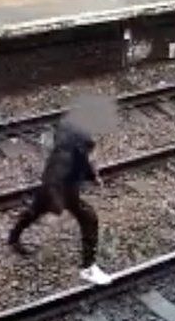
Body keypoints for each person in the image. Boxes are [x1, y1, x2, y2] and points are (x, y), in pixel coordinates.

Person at [8, 121, 113, 285]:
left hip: (58, 187)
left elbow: (84, 162)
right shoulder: (66, 156)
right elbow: (52, 180)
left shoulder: (74, 140)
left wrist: (93, 176)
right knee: (89, 219)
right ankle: (88, 268)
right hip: (62, 189)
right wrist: (58, 208)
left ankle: (13, 238)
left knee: (36, 209)